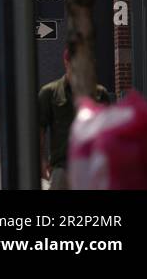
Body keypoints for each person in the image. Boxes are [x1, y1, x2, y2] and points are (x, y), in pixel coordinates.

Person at [38, 49, 110, 189]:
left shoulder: (100, 94)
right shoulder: (50, 93)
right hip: (63, 166)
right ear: (67, 63)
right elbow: (38, 131)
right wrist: (41, 161)